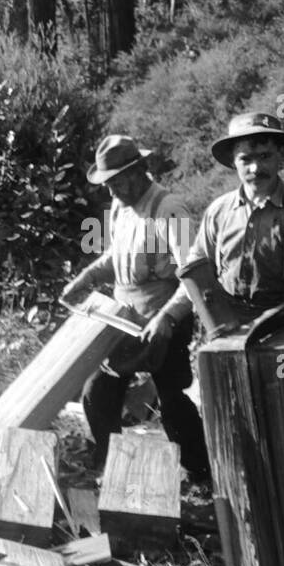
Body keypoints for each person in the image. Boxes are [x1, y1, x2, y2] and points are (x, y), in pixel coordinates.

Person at [60, 136, 211, 479]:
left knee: (173, 401)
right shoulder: (119, 207)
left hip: (165, 320)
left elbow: (193, 276)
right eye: (108, 184)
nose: (112, 191)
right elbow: (117, 255)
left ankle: (201, 475)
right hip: (125, 320)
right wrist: (85, 278)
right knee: (97, 391)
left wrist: (167, 318)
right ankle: (111, 468)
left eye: (117, 182)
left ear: (139, 171)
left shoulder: (170, 210)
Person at [141, 111, 284, 339]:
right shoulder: (218, 213)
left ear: (281, 155)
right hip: (231, 329)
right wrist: (167, 316)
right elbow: (196, 279)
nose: (255, 168)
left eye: (265, 156)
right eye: (246, 159)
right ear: (233, 162)